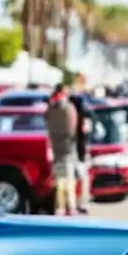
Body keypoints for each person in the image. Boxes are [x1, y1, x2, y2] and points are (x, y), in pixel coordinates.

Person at [44, 84, 79, 215]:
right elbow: (72, 129)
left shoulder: (50, 109)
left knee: (59, 180)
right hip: (68, 147)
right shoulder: (69, 108)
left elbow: (46, 120)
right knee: (69, 179)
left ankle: (60, 207)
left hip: (55, 147)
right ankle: (71, 206)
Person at [70, 78, 92, 215]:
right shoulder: (85, 117)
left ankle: (78, 203)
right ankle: (82, 203)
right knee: (82, 179)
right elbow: (87, 134)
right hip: (81, 151)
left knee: (76, 179)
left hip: (75, 151)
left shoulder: (73, 117)